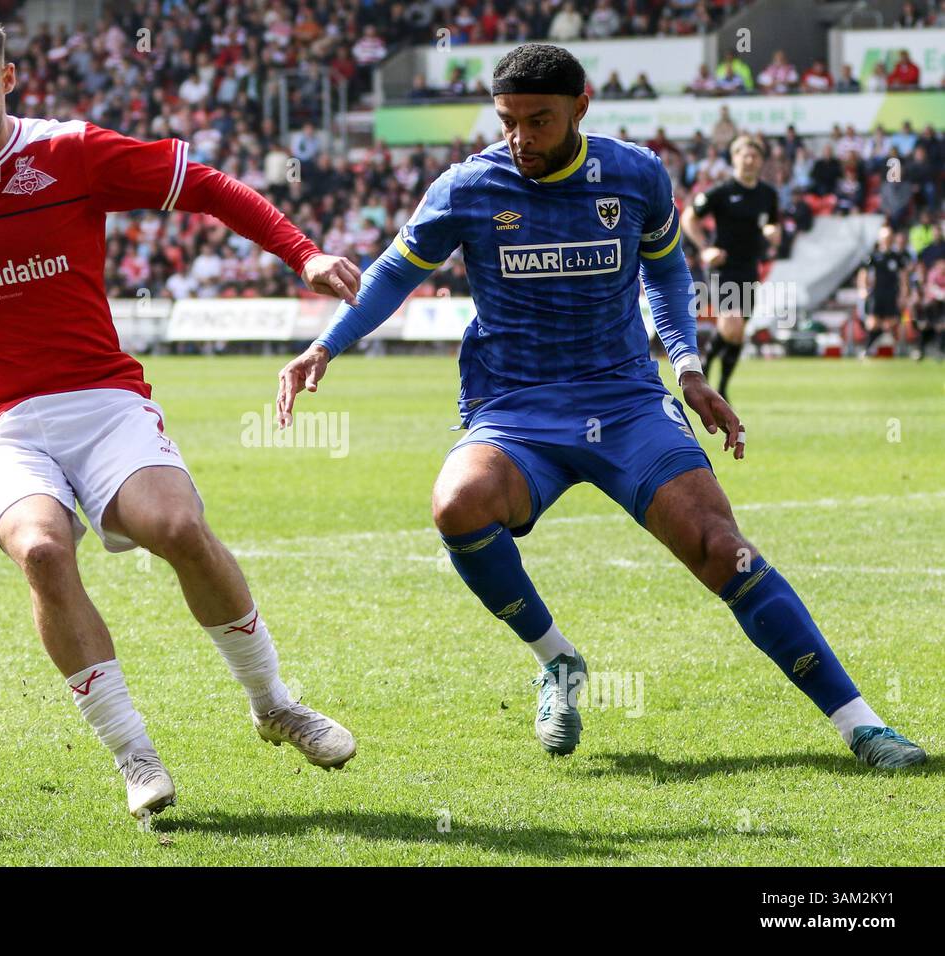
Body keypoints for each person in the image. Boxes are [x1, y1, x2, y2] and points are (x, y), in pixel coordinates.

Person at [276, 44, 926, 770]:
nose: (521, 137)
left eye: (539, 120)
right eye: (508, 121)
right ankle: (557, 660)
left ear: (582, 106)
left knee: (722, 549)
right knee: (457, 503)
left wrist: (687, 367)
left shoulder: (634, 174)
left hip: (625, 401)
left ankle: (862, 725)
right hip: (516, 408)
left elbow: (668, 273)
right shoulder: (467, 187)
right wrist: (325, 346)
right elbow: (396, 274)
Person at [0, 10, 362, 820]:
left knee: (177, 527)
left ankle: (274, 702)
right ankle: (134, 755)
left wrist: (301, 251)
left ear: (7, 81)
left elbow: (204, 185)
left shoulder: (70, 152)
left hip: (102, 400)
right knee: (40, 550)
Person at [681, 135, 780, 403]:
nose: (749, 160)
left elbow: (774, 225)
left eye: (755, 156)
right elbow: (688, 217)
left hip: (750, 268)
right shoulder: (722, 191)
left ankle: (718, 382)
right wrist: (705, 248)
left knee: (735, 333)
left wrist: (772, 232)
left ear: (760, 161)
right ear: (734, 158)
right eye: (744, 155)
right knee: (732, 323)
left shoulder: (768, 194)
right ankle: (713, 382)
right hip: (724, 268)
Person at [858, 224, 910, 358]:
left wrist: (904, 293)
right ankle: (868, 348)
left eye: (889, 237)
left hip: (892, 293)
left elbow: (903, 276)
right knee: (872, 323)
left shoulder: (897, 257)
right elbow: (863, 273)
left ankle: (898, 349)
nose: (887, 240)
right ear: (880, 239)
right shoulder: (873, 256)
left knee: (891, 322)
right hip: (876, 293)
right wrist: (863, 289)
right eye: (885, 237)